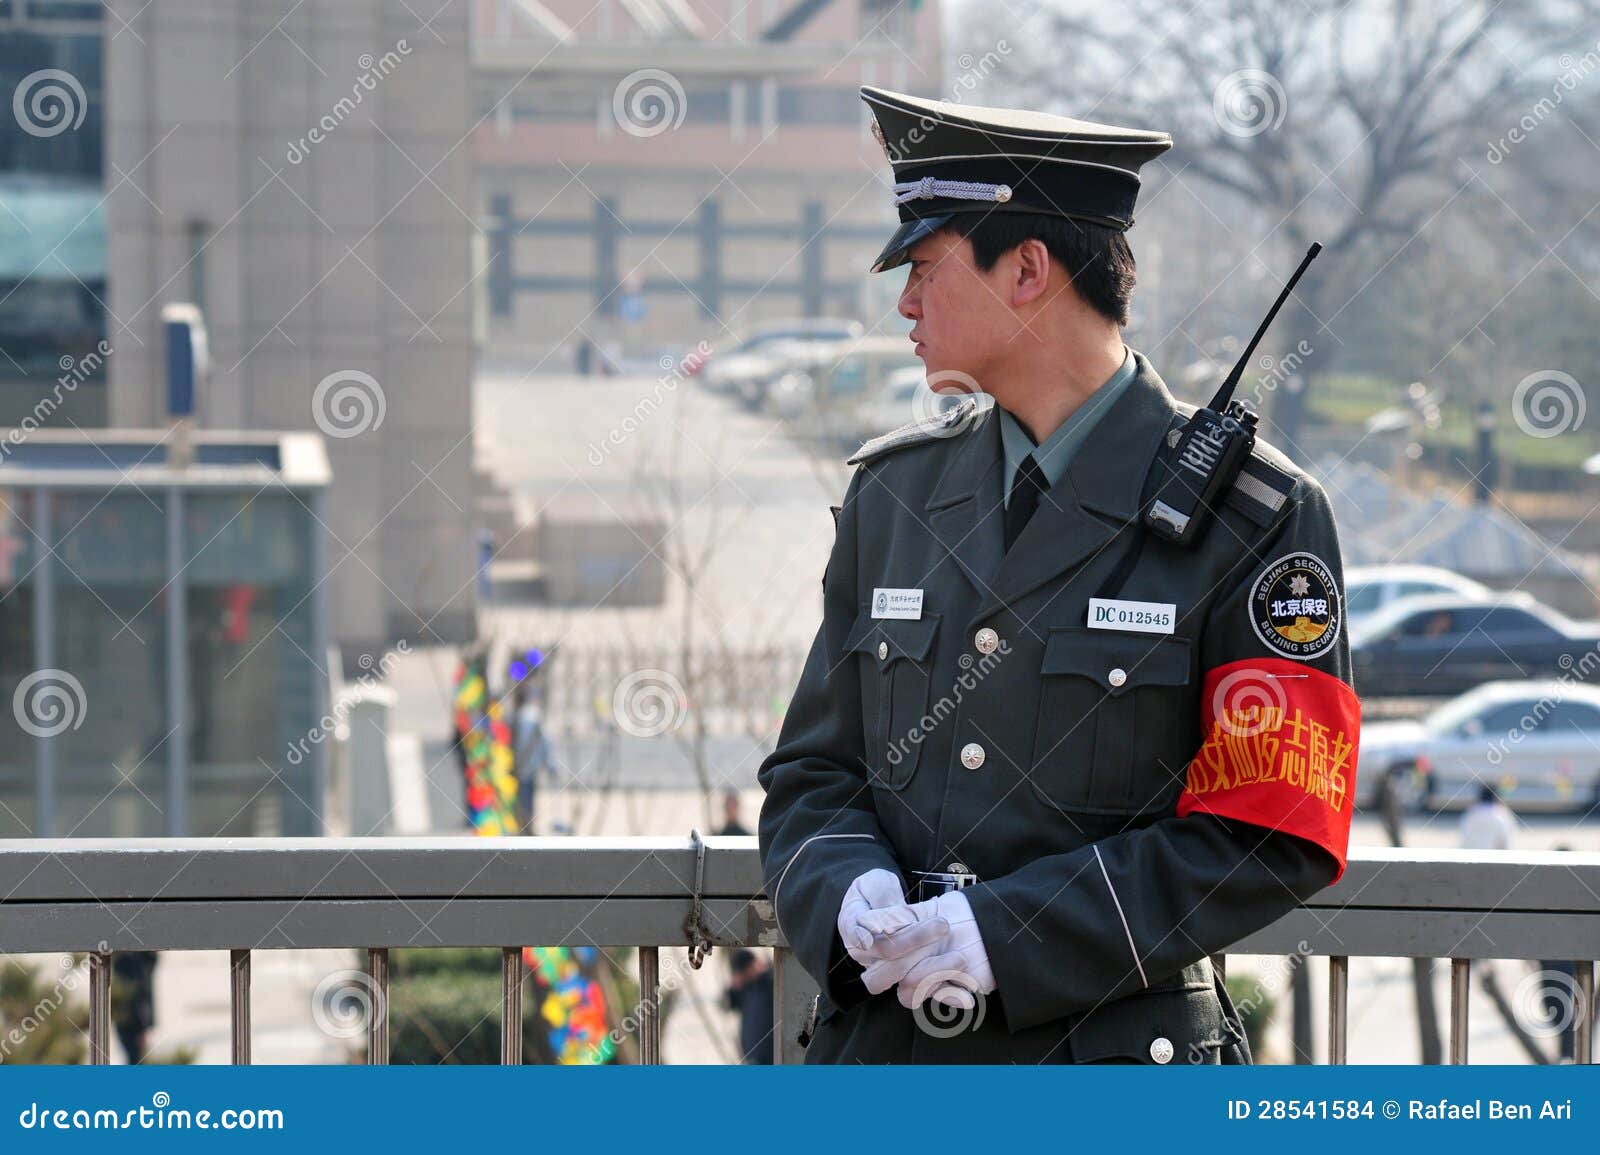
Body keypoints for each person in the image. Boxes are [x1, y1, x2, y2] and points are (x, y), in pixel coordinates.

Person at [756, 86, 1360, 1063]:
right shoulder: (895, 496)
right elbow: (813, 772)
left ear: (1028, 270)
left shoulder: (1255, 518)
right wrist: (845, 890)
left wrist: (1008, 935)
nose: (905, 303)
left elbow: (1272, 826)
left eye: (925, 268)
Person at [511, 681, 555, 834]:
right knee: (528, 796)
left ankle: (522, 825)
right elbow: (544, 743)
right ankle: (527, 825)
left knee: (521, 796)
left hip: (518, 765)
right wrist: (550, 765)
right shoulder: (534, 717)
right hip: (531, 765)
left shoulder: (516, 717)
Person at [723, 949, 776, 1064]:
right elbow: (728, 1003)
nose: (743, 976)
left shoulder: (768, 983)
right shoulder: (745, 989)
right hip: (752, 1057)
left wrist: (764, 970)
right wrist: (734, 987)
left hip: (770, 1057)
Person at [1458, 782, 1515, 850]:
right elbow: (1507, 843)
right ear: (1496, 798)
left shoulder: (1469, 815)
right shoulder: (1502, 816)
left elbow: (1464, 838)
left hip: (1470, 854)